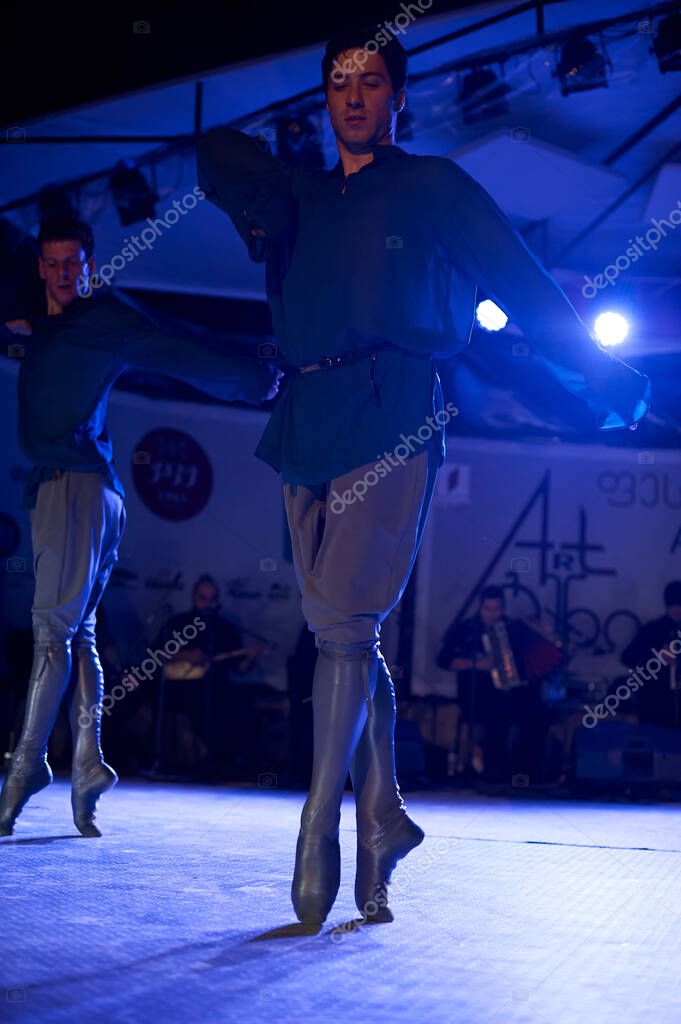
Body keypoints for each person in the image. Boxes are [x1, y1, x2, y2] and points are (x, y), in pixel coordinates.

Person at [196, 28, 650, 925]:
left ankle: (317, 827)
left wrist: (603, 379)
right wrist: (273, 188)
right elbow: (212, 153)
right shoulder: (300, 194)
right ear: (322, 99)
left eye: (370, 81)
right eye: (337, 83)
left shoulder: (433, 188)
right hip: (305, 418)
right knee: (344, 633)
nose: (353, 96)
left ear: (399, 97)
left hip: (396, 406)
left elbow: (521, 284)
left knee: (339, 633)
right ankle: (384, 819)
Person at [0, 215, 281, 838]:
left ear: (90, 267)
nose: (64, 273)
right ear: (40, 268)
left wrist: (255, 376)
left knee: (51, 633)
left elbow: (175, 349)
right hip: (73, 491)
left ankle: (24, 769)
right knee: (77, 638)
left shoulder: (104, 322)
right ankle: (89, 763)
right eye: (53, 263)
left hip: (78, 489)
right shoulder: (40, 327)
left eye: (75, 262)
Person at [437, 586, 549, 782]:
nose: (492, 614)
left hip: (509, 694)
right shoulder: (465, 629)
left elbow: (527, 660)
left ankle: (527, 771)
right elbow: (444, 660)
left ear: (503, 608)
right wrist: (476, 664)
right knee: (497, 710)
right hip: (476, 694)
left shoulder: (512, 629)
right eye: (488, 609)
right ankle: (493, 770)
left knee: (536, 710)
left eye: (497, 609)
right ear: (480, 608)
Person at [151, 574, 261, 775]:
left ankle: (225, 763)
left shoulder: (225, 628)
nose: (207, 604)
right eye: (203, 598)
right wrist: (186, 655)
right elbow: (156, 655)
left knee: (238, 703)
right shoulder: (177, 623)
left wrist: (251, 657)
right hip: (181, 688)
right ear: (194, 597)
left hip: (218, 688)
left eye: (212, 599)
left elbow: (240, 669)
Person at [621, 581, 681, 728]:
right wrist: (656, 658)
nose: (677, 610)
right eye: (675, 606)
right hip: (654, 702)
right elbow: (628, 658)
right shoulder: (652, 630)